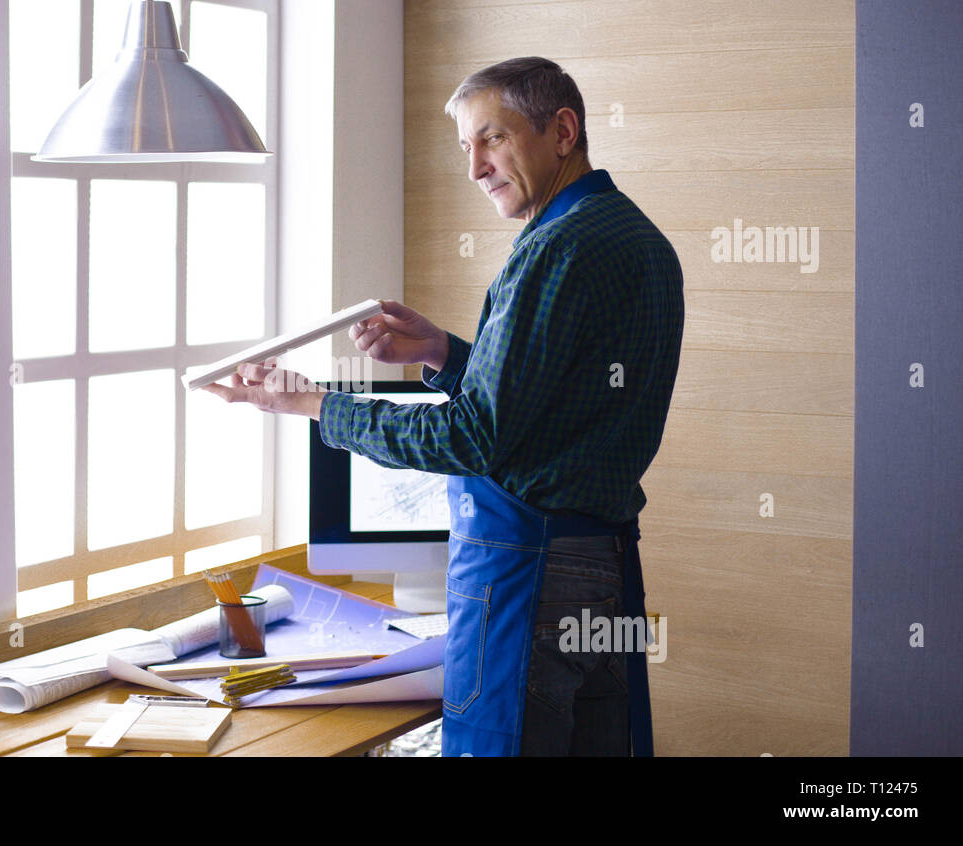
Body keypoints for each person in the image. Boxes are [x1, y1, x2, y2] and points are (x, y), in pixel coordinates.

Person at [203, 57, 684, 757]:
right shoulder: (637, 239)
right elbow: (552, 406)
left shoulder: (551, 248)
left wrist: (305, 400)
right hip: (602, 563)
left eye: (492, 139)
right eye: (466, 147)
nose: (476, 167)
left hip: (530, 571)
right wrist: (445, 354)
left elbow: (473, 437)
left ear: (563, 130)